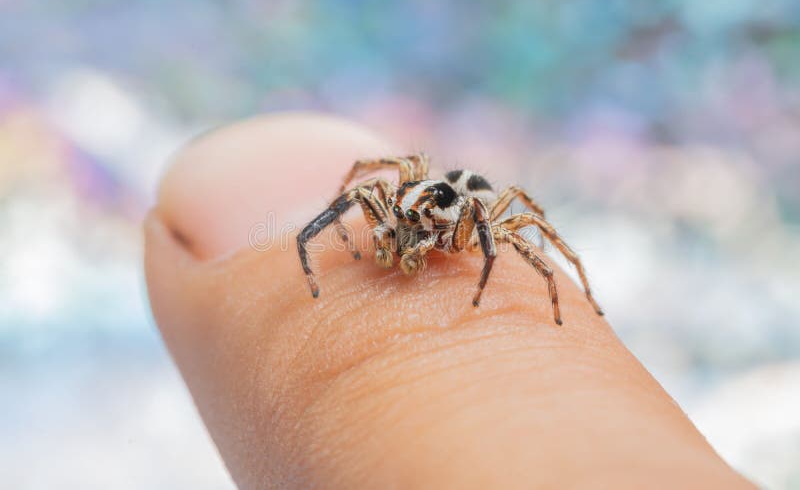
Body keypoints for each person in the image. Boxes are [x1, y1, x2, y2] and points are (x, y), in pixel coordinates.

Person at [144, 113, 753, 488]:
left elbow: (525, 230)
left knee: (523, 228)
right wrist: (316, 234)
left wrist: (503, 282)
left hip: (466, 209)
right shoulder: (399, 196)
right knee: (394, 177)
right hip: (425, 192)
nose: (407, 232)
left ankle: (570, 282)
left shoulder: (472, 225)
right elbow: (368, 173)